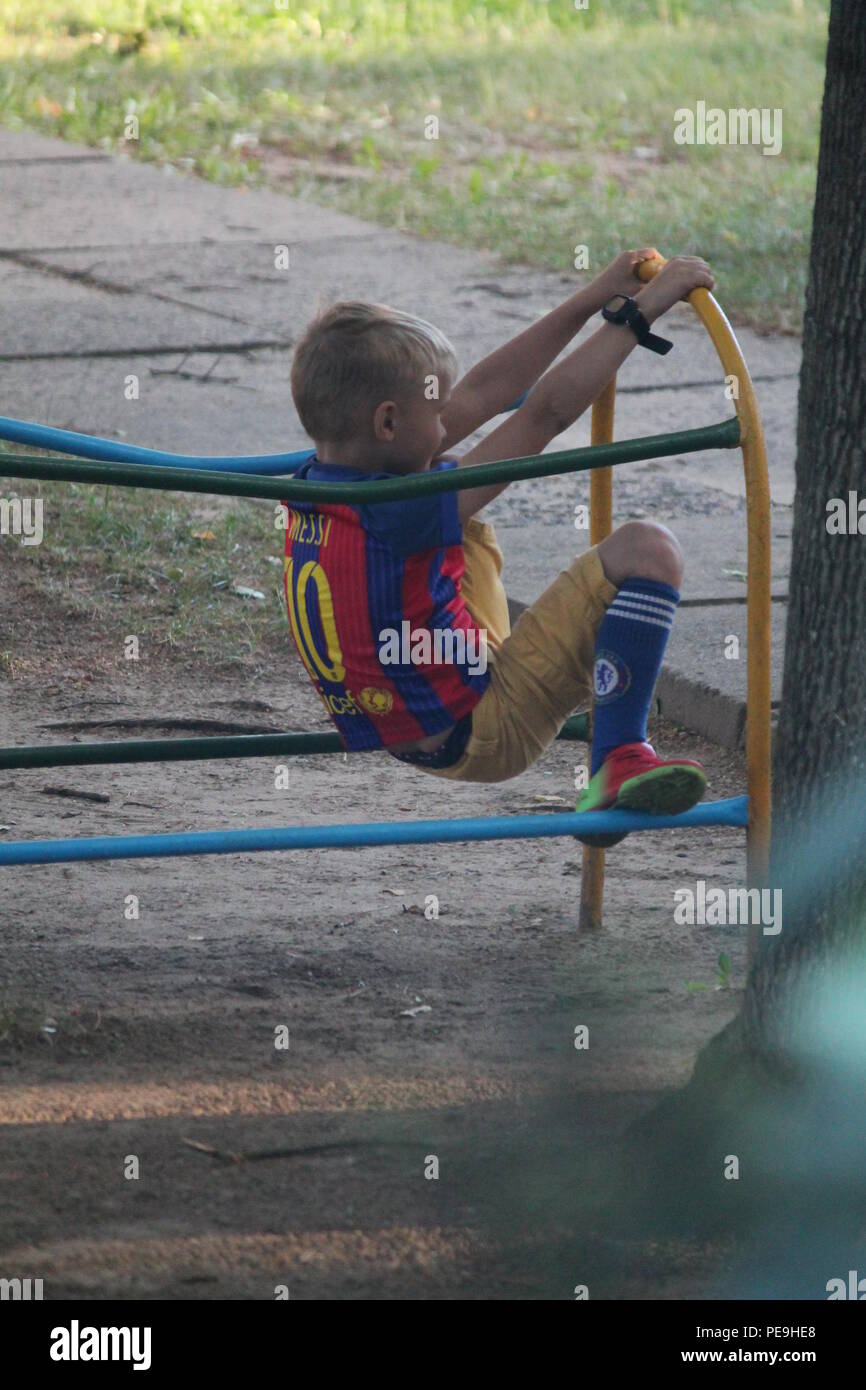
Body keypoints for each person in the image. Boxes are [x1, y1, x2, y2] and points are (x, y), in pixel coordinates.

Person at [282, 251, 713, 844]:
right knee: (650, 550)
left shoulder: (318, 480)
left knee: (447, 492)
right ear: (387, 423)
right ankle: (618, 758)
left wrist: (596, 295)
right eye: (436, 413)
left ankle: (607, 741)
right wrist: (642, 312)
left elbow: (488, 390)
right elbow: (544, 415)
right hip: (485, 724)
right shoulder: (401, 508)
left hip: (410, 725)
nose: (447, 422)